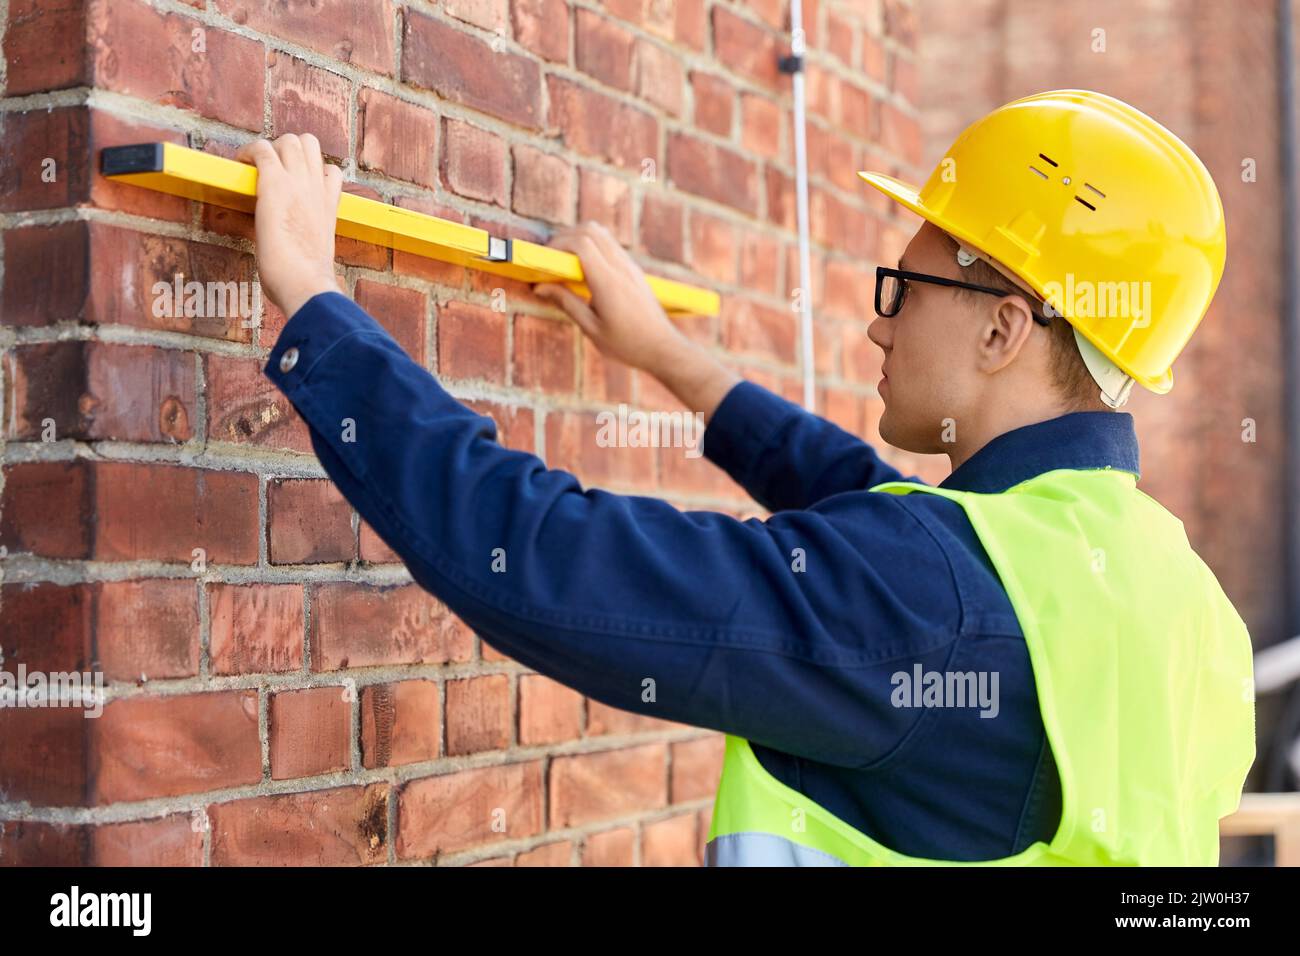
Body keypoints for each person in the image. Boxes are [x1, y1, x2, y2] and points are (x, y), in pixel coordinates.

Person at [241, 88, 1255, 866]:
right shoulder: (1186, 608)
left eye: (904, 288)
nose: (877, 318)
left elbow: (555, 562)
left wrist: (319, 307)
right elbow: (868, 506)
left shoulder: (931, 597)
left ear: (1001, 327)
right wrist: (675, 359)